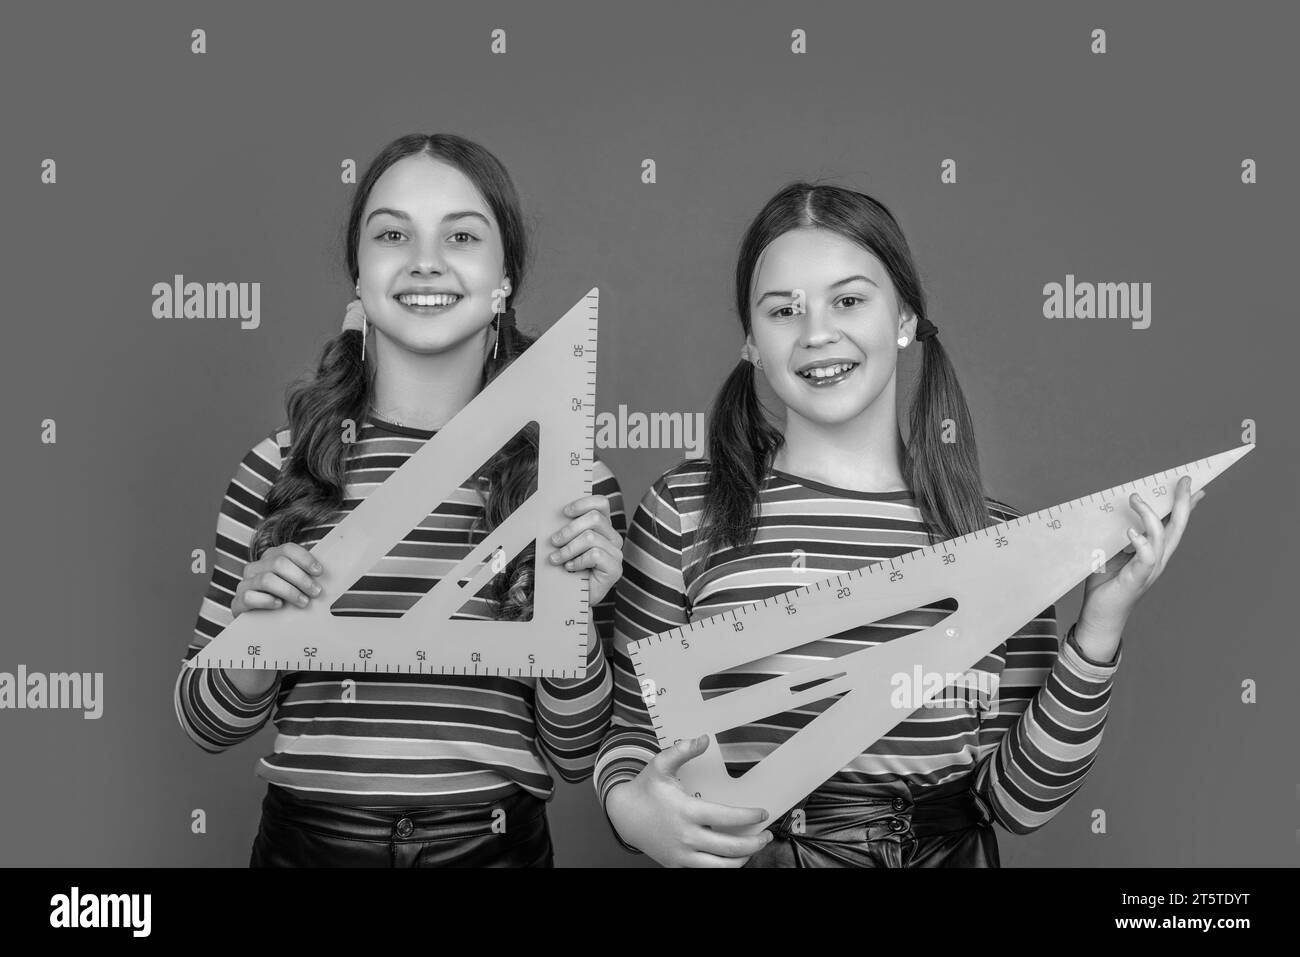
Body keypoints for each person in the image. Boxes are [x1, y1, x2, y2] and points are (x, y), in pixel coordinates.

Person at [595, 182, 1204, 868]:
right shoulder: (685, 510)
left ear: (905, 318)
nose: (817, 331)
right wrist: (632, 809)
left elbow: (1018, 802)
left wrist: (1100, 627)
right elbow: (629, 732)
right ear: (751, 343)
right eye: (782, 310)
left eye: (849, 299)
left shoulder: (993, 538)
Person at [174, 133, 625, 867]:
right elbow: (204, 722)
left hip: (494, 846)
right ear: (359, 273)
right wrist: (253, 636)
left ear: (504, 274)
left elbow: (575, 751)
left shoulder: (571, 483)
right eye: (392, 233)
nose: (425, 259)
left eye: (462, 235)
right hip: (308, 846)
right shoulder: (278, 465)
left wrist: (572, 625)